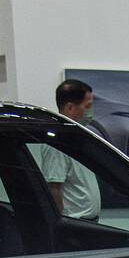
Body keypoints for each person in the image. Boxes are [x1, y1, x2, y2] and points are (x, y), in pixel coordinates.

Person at [39, 79, 100, 220]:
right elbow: (54, 187)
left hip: (88, 223)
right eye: (88, 106)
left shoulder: (77, 136)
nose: (90, 112)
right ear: (70, 108)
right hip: (74, 223)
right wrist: (61, 224)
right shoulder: (57, 142)